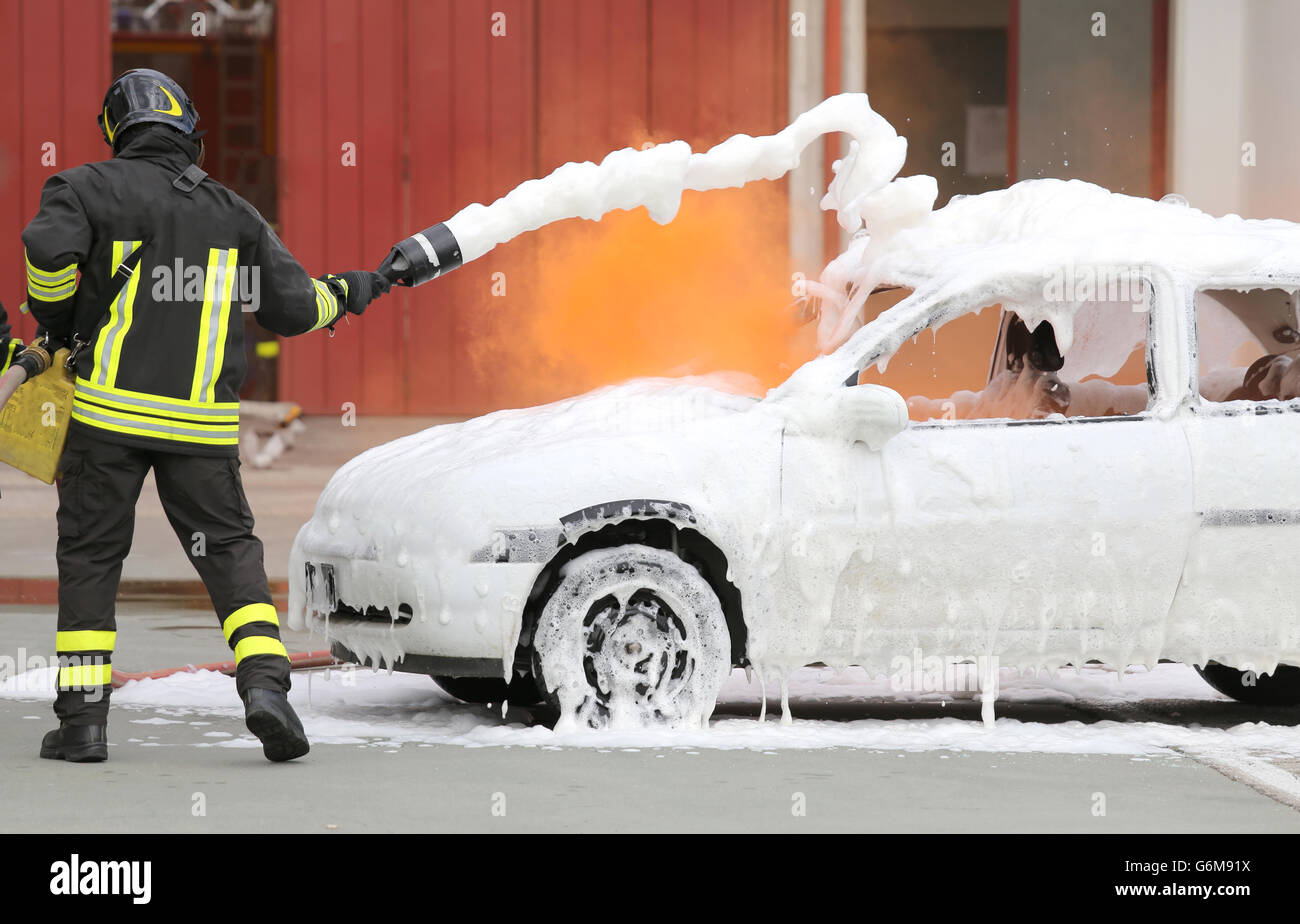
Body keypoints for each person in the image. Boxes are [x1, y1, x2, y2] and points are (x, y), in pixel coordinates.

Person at [21, 68, 391, 763]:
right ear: (188, 129)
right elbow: (290, 309)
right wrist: (347, 292)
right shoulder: (234, 214)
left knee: (93, 557)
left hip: (105, 419)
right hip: (201, 429)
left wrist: (55, 318)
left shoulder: (82, 188)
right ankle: (265, 688)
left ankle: (83, 723)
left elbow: (47, 254)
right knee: (229, 555)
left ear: (115, 129)